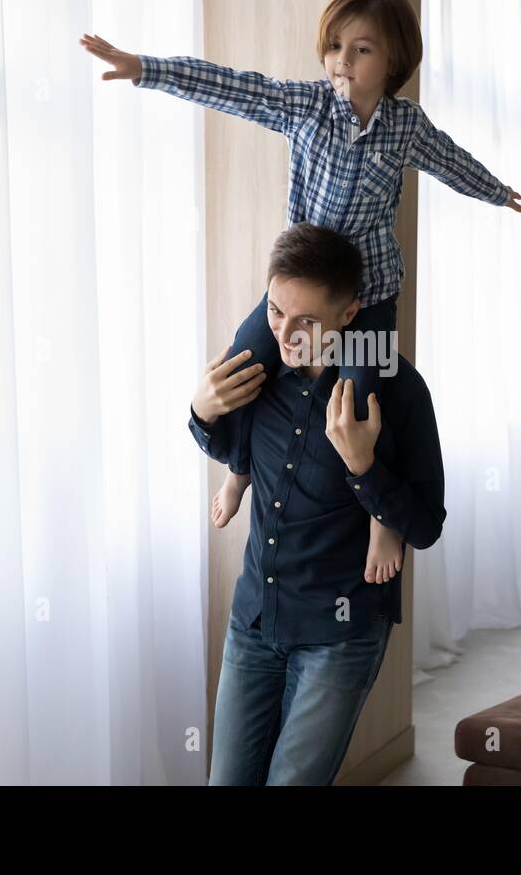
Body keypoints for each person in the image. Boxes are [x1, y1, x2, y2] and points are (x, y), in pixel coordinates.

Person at [83, 0, 514, 588]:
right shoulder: (306, 106)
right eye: (335, 46)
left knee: (365, 393)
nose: (343, 60)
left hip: (368, 299)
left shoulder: (405, 126)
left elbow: (450, 161)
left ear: (393, 61)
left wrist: (496, 191)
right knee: (244, 363)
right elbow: (228, 86)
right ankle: (238, 470)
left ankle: (381, 520)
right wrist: (144, 69)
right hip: (301, 288)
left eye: (361, 50)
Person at [188, 223, 445, 785]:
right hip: (255, 618)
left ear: (350, 314)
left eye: (306, 320)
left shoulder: (399, 390)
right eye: (276, 311)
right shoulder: (260, 378)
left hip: (340, 634)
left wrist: (364, 468)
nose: (285, 332)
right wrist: (201, 410)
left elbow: (425, 526)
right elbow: (232, 453)